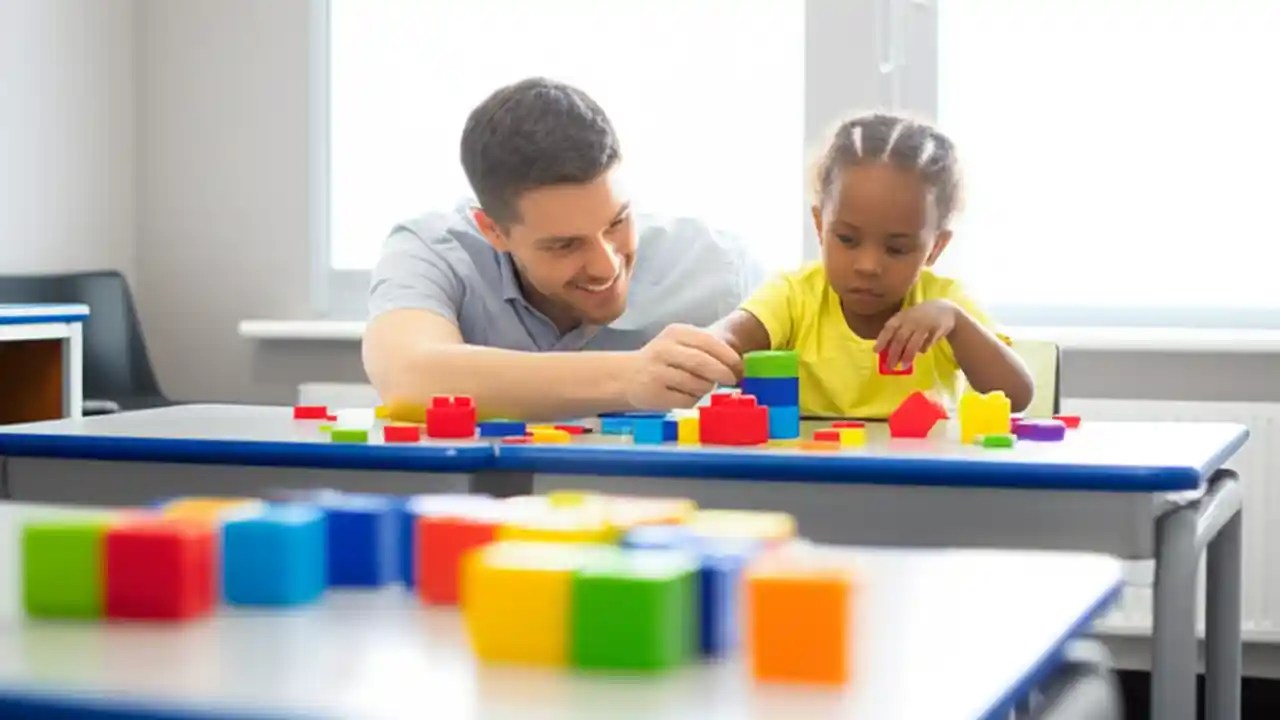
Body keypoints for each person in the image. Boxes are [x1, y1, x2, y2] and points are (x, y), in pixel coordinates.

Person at [362, 78, 761, 421]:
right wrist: (630, 377)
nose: (605, 267)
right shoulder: (433, 250)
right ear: (493, 231)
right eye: (565, 245)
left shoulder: (719, 268)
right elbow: (409, 378)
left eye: (617, 222)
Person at [713, 112, 1034, 417]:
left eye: (896, 248)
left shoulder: (946, 305)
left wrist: (957, 324)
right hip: (807, 474)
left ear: (935, 248)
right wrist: (706, 351)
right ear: (819, 226)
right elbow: (724, 340)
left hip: (916, 474)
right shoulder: (793, 295)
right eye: (847, 239)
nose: (867, 266)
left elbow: (1017, 396)